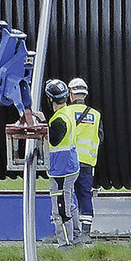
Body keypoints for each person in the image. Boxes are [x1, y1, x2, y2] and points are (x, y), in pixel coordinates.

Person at [44, 78, 82, 247]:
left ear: (50, 99)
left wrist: (44, 125)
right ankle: (76, 237)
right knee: (69, 203)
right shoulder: (67, 113)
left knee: (61, 209)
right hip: (71, 166)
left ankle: (66, 244)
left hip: (61, 169)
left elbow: (54, 140)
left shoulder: (58, 120)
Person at [66, 77, 102, 241]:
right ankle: (86, 233)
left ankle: (65, 232)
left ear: (70, 95)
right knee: (84, 195)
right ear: (85, 95)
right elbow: (100, 137)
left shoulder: (64, 113)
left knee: (64, 195)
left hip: (67, 162)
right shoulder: (96, 115)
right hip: (87, 162)